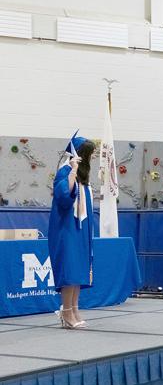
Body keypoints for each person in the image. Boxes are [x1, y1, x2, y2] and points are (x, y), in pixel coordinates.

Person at [49, 132, 95, 329]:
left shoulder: (84, 179)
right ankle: (66, 312)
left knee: (78, 270)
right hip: (66, 229)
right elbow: (63, 197)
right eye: (88, 154)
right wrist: (72, 171)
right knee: (69, 269)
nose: (90, 158)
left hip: (80, 229)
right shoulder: (65, 172)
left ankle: (74, 309)